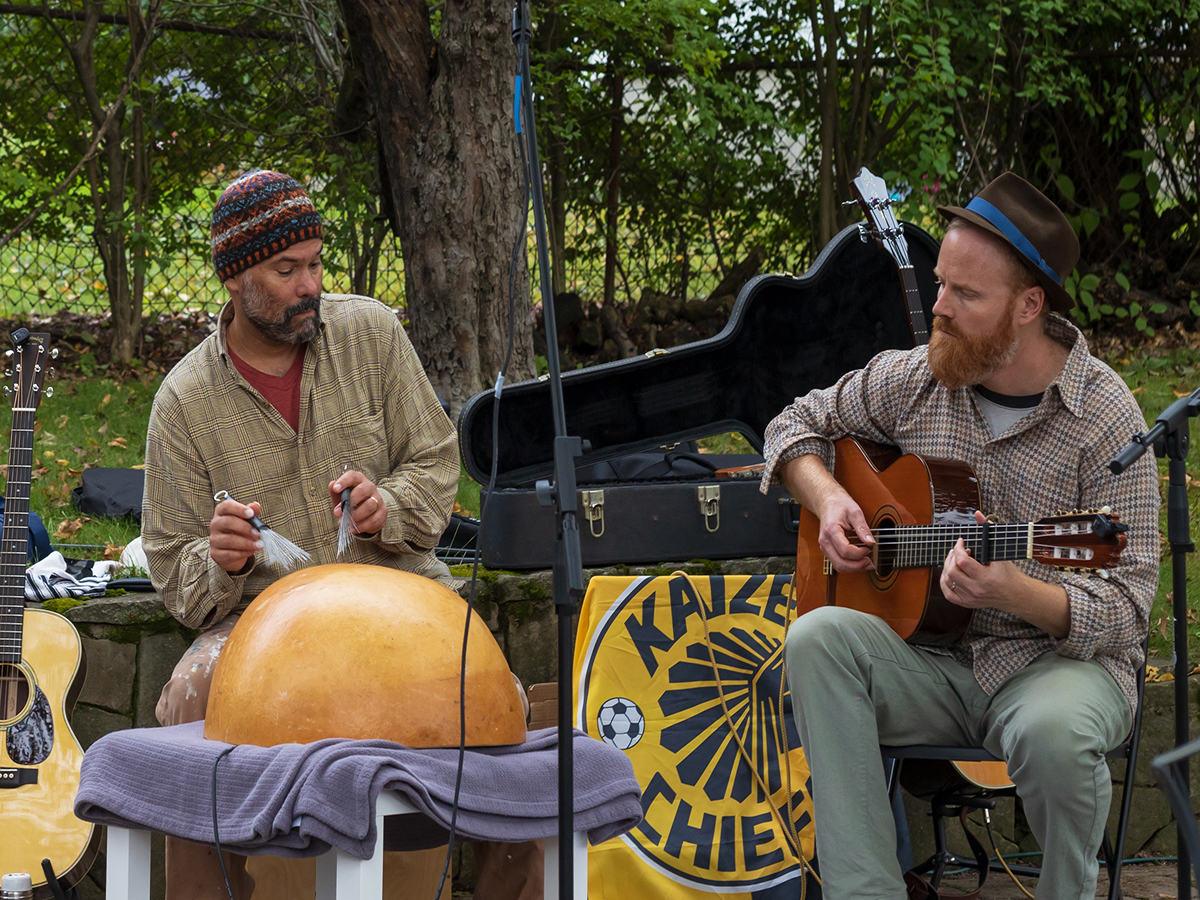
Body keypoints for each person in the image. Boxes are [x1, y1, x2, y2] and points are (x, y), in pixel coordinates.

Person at [760, 172, 1160, 899]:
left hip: (1055, 671)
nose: (937, 308)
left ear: (1029, 306)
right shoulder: (916, 378)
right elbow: (794, 423)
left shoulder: (1106, 419)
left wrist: (1018, 590)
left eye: (964, 295)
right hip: (934, 665)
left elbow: (1129, 609)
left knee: (1053, 732)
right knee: (816, 640)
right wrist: (829, 498)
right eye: (940, 284)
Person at [143, 169, 539, 900]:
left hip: (402, 606)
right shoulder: (183, 402)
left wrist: (385, 506)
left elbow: (436, 462)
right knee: (193, 697)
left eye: (316, 263)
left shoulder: (372, 335)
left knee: (501, 708)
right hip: (259, 628)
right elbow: (174, 571)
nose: (308, 286)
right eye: (285, 269)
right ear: (233, 278)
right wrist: (221, 558)